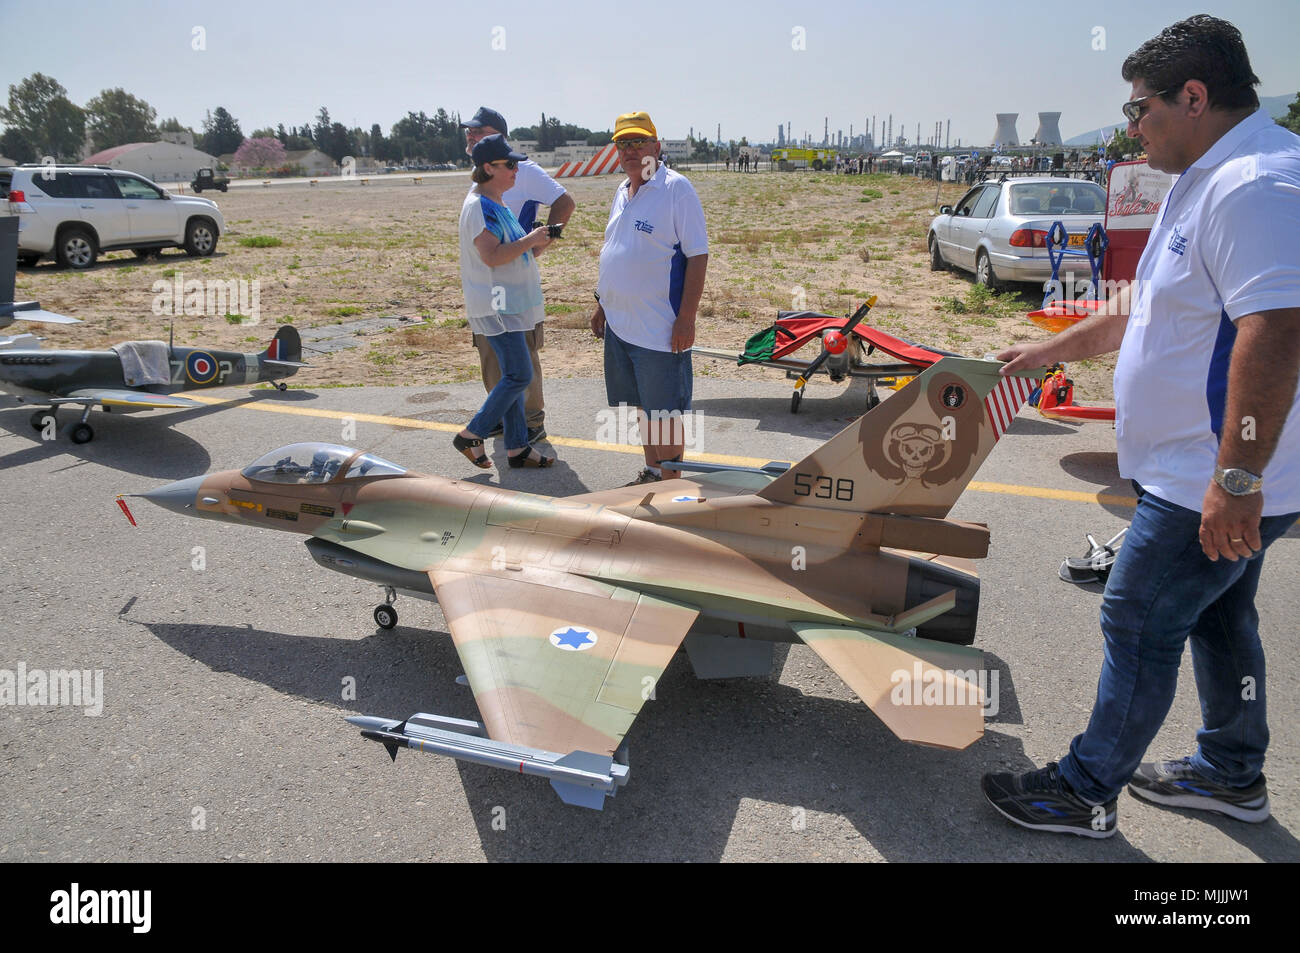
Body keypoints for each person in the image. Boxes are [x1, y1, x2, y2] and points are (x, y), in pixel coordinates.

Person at [982, 14, 1300, 838]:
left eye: (1139, 109)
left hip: (1213, 472)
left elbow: (1277, 332)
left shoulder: (1255, 183)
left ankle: (1085, 786)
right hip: (1206, 469)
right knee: (1220, 614)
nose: (1131, 126)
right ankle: (1232, 771)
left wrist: (1235, 481)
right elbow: (1144, 307)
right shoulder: (1202, 175)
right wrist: (1049, 348)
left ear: (1193, 97)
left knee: (1137, 615)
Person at [589, 111, 709, 485]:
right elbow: (617, 248)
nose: (629, 150)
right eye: (623, 143)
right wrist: (601, 303)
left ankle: (672, 486)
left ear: (656, 147)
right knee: (643, 406)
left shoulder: (676, 189)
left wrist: (686, 317)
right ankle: (653, 472)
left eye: (638, 142)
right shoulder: (621, 192)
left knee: (665, 413)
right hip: (621, 325)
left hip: (659, 327)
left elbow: (698, 255)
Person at [461, 106, 576, 444]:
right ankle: (508, 430)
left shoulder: (520, 170)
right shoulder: (481, 187)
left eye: (477, 131)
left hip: (511, 289)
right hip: (492, 287)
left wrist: (542, 242)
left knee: (522, 361)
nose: (470, 136)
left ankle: (529, 420)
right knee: (496, 360)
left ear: (497, 135)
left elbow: (565, 202)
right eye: (468, 131)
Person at [453, 134, 556, 471]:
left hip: (511, 305)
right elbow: (492, 256)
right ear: (488, 168)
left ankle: (517, 448)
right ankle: (473, 433)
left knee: (513, 376)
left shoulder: (496, 204)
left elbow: (510, 250)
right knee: (518, 375)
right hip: (499, 307)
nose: (516, 170)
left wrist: (536, 244)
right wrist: (530, 240)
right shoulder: (481, 206)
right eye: (509, 164)